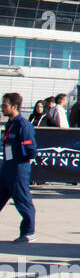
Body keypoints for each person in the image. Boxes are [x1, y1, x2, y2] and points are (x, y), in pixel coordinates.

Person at [0, 92, 38, 242]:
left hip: (18, 168)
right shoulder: (10, 124)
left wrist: (23, 164)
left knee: (22, 200)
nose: (2, 108)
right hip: (6, 167)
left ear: (15, 106)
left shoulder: (23, 125)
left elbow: (31, 149)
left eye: (5, 105)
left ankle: (28, 232)